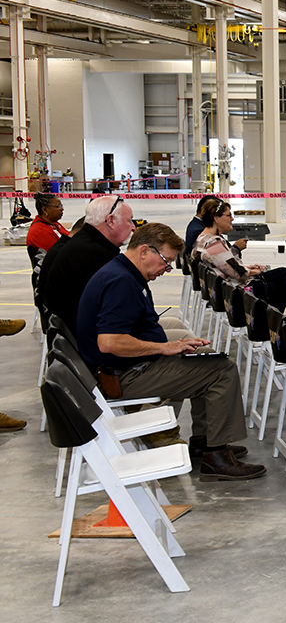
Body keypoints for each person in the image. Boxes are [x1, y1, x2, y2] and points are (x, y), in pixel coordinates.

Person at [76, 223, 265, 480]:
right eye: (166, 261)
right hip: (123, 375)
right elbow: (109, 342)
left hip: (124, 367)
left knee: (205, 358)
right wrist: (164, 347)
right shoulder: (121, 281)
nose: (167, 269)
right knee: (222, 371)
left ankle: (205, 442)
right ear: (144, 251)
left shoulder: (123, 272)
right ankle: (216, 457)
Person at [39, 194, 135, 335]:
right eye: (129, 221)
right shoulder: (93, 254)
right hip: (95, 337)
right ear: (111, 221)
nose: (133, 227)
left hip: (83, 331)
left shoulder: (84, 244)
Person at [192, 198, 286, 310]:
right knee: (283, 286)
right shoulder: (213, 244)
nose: (232, 219)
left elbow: (226, 266)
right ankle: (281, 316)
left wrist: (249, 268)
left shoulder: (202, 239)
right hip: (236, 292)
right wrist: (255, 271)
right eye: (228, 215)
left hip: (228, 287)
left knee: (283, 273)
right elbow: (238, 274)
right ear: (216, 218)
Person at [26, 192, 69, 260]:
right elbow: (59, 255)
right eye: (57, 206)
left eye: (61, 206)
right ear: (45, 210)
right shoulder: (41, 232)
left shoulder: (54, 223)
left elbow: (68, 236)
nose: (62, 209)